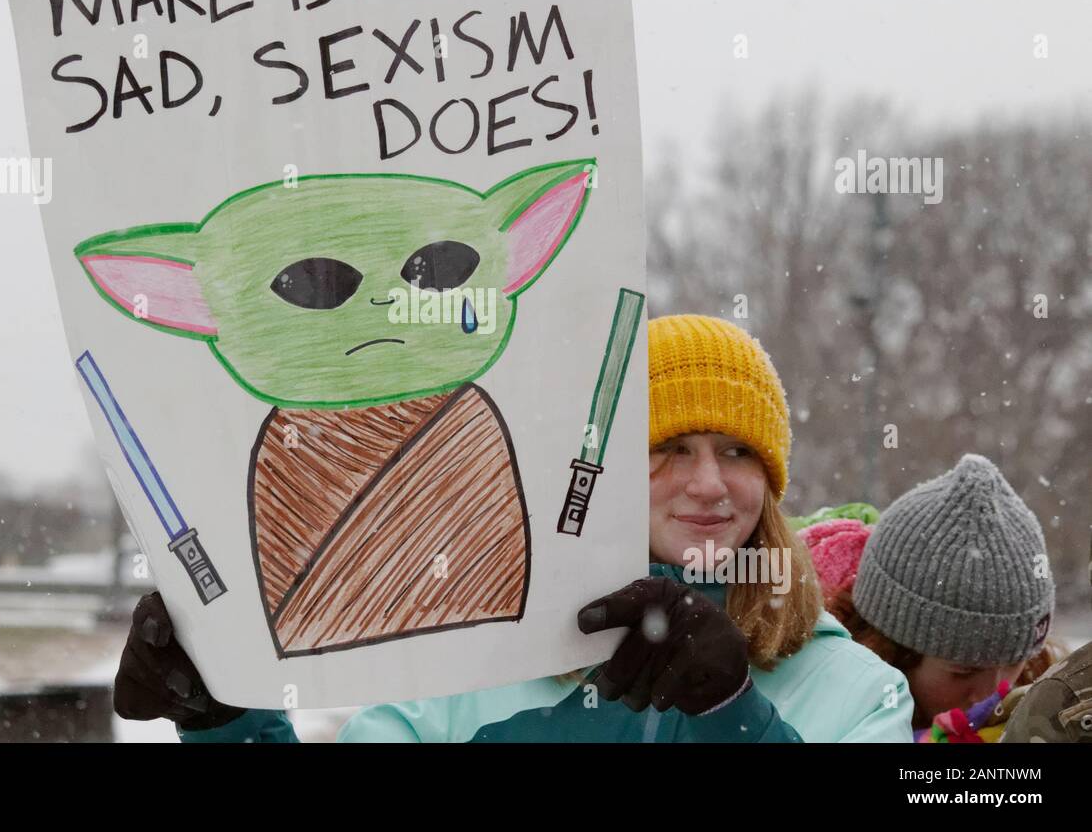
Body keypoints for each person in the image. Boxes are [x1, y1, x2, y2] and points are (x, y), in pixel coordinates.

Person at [114, 314, 913, 742]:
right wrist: (222, 719)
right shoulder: (471, 660)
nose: (707, 484)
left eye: (737, 452)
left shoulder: (856, 694)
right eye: (667, 449)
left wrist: (733, 712)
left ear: (770, 482)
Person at [820, 454, 1059, 734]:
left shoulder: (1056, 713)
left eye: (1016, 662)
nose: (993, 695)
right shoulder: (815, 716)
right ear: (887, 651)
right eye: (964, 671)